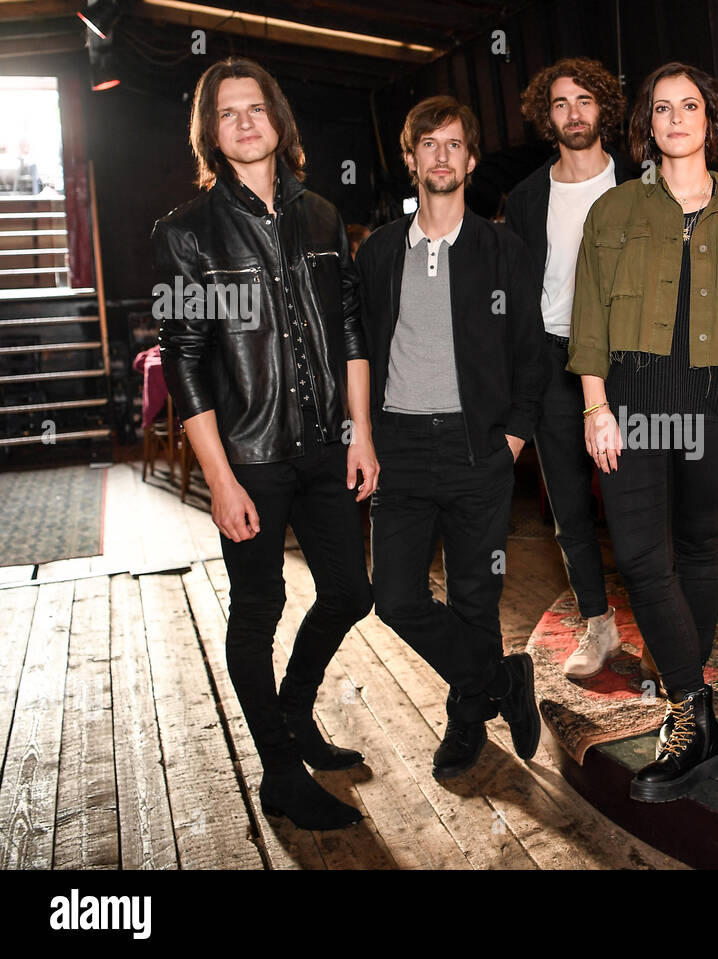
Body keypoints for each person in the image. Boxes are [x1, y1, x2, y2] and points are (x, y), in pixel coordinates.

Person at [153, 58, 376, 831]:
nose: (244, 122)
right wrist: (219, 479)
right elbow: (182, 361)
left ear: (279, 119)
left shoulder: (321, 215)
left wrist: (362, 435)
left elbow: (349, 329)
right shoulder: (184, 234)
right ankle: (280, 770)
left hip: (324, 447)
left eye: (255, 108)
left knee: (353, 591)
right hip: (248, 456)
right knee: (260, 606)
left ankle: (293, 712)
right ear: (210, 134)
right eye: (226, 113)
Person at [569, 62, 718, 803]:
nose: (676, 117)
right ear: (649, 126)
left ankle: (686, 718)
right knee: (637, 553)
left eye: (689, 105)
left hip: (717, 407)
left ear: (709, 120)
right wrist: (596, 406)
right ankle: (695, 709)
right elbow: (590, 315)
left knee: (697, 546)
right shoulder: (614, 212)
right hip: (632, 402)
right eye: (662, 108)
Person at [356, 96, 547, 781]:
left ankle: (467, 721)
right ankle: (501, 679)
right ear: (410, 160)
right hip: (401, 450)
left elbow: (532, 353)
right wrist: (363, 436)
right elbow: (358, 352)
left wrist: (515, 439)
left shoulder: (502, 251)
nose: (441, 156)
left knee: (475, 596)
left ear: (469, 160)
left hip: (479, 452)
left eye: (454, 144)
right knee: (396, 597)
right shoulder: (377, 252)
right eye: (427, 145)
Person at [504, 57, 640, 681]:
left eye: (584, 101)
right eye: (560, 104)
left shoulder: (640, 184)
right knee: (567, 507)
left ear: (603, 109)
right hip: (554, 362)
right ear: (547, 116)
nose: (573, 114)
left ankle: (658, 622)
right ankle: (599, 624)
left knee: (632, 499)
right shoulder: (530, 197)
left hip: (628, 364)